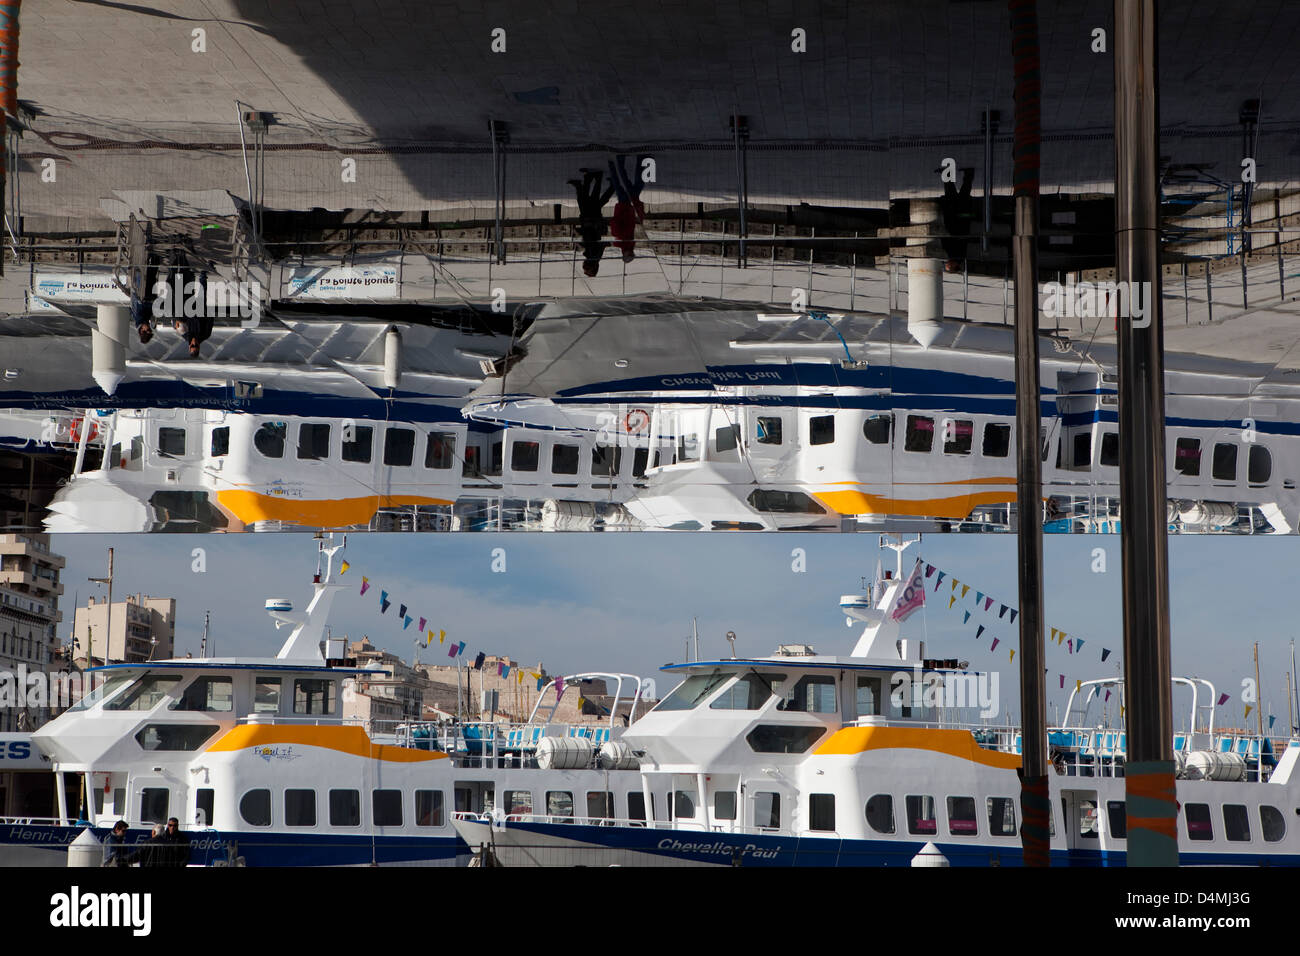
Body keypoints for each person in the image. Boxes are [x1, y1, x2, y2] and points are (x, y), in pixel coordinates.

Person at [568, 168, 615, 276]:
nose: (584, 269)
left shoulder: (594, 257)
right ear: (592, 268)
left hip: (592, 222)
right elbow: (591, 239)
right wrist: (580, 235)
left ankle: (589, 180)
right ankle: (592, 179)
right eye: (586, 270)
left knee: (588, 200)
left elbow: (593, 242)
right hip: (592, 221)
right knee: (590, 199)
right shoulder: (593, 256)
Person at [607, 154, 649, 262]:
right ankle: (614, 165)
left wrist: (628, 213)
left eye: (628, 255)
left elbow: (614, 222)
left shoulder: (621, 240)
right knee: (623, 185)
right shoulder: (628, 242)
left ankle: (621, 162)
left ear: (624, 254)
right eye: (631, 254)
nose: (630, 253)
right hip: (628, 208)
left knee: (628, 184)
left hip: (625, 207)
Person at [939, 166, 977, 272]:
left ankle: (965, 173)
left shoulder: (958, 256)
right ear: (954, 265)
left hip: (959, 219)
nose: (947, 263)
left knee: (962, 192)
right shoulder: (956, 255)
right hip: (956, 219)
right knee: (953, 193)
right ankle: (948, 173)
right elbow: (949, 240)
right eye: (948, 266)